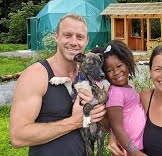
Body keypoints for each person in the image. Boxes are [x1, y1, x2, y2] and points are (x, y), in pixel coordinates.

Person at [9, 13, 107, 155]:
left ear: (86, 40)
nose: (74, 42)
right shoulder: (35, 75)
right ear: (56, 36)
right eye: (67, 35)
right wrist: (75, 121)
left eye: (79, 37)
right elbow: (18, 136)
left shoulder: (89, 75)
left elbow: (100, 121)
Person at [103, 40, 147, 156]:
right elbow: (117, 127)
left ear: (127, 63)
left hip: (137, 147)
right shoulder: (115, 93)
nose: (116, 72)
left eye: (119, 66)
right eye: (109, 70)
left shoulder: (128, 88)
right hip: (127, 151)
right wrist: (134, 152)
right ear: (105, 74)